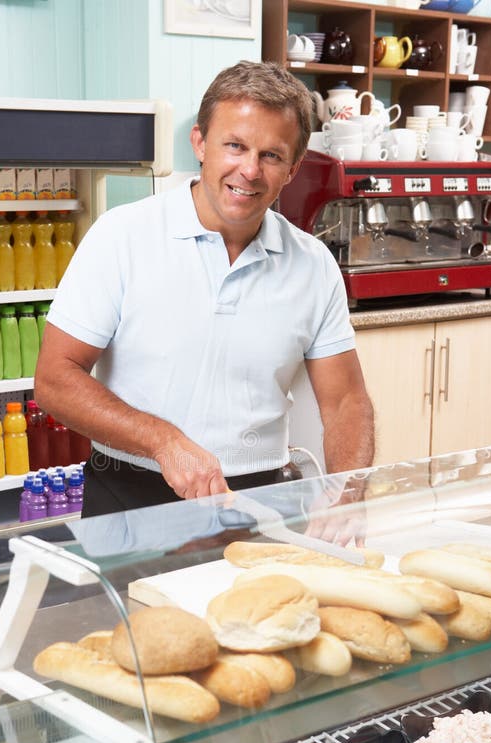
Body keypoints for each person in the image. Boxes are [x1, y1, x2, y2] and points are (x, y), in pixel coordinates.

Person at [35, 60, 374, 518]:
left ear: (293, 168)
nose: (249, 170)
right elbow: (56, 380)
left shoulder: (313, 266)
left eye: (271, 155)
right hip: (128, 497)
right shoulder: (122, 236)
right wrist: (162, 440)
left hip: (261, 502)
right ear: (199, 143)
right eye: (235, 146)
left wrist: (348, 494)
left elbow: (346, 401)